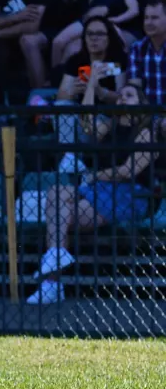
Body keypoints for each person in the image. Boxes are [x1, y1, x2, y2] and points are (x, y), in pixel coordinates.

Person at [30, 81, 157, 305]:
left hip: (131, 194)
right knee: (56, 192)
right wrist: (90, 87)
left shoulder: (146, 133)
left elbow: (128, 171)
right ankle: (55, 258)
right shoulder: (110, 125)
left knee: (63, 213)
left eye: (129, 96)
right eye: (119, 97)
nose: (122, 99)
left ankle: (51, 282)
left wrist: (96, 176)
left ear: (141, 103)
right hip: (99, 188)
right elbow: (86, 124)